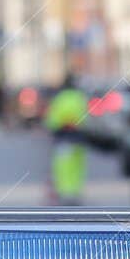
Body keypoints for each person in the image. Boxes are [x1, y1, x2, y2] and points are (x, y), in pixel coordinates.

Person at [44, 74, 90, 204]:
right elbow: (86, 119)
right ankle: (75, 191)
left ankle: (64, 191)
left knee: (62, 166)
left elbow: (51, 120)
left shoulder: (59, 99)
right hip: (78, 138)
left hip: (63, 138)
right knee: (77, 166)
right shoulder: (80, 98)